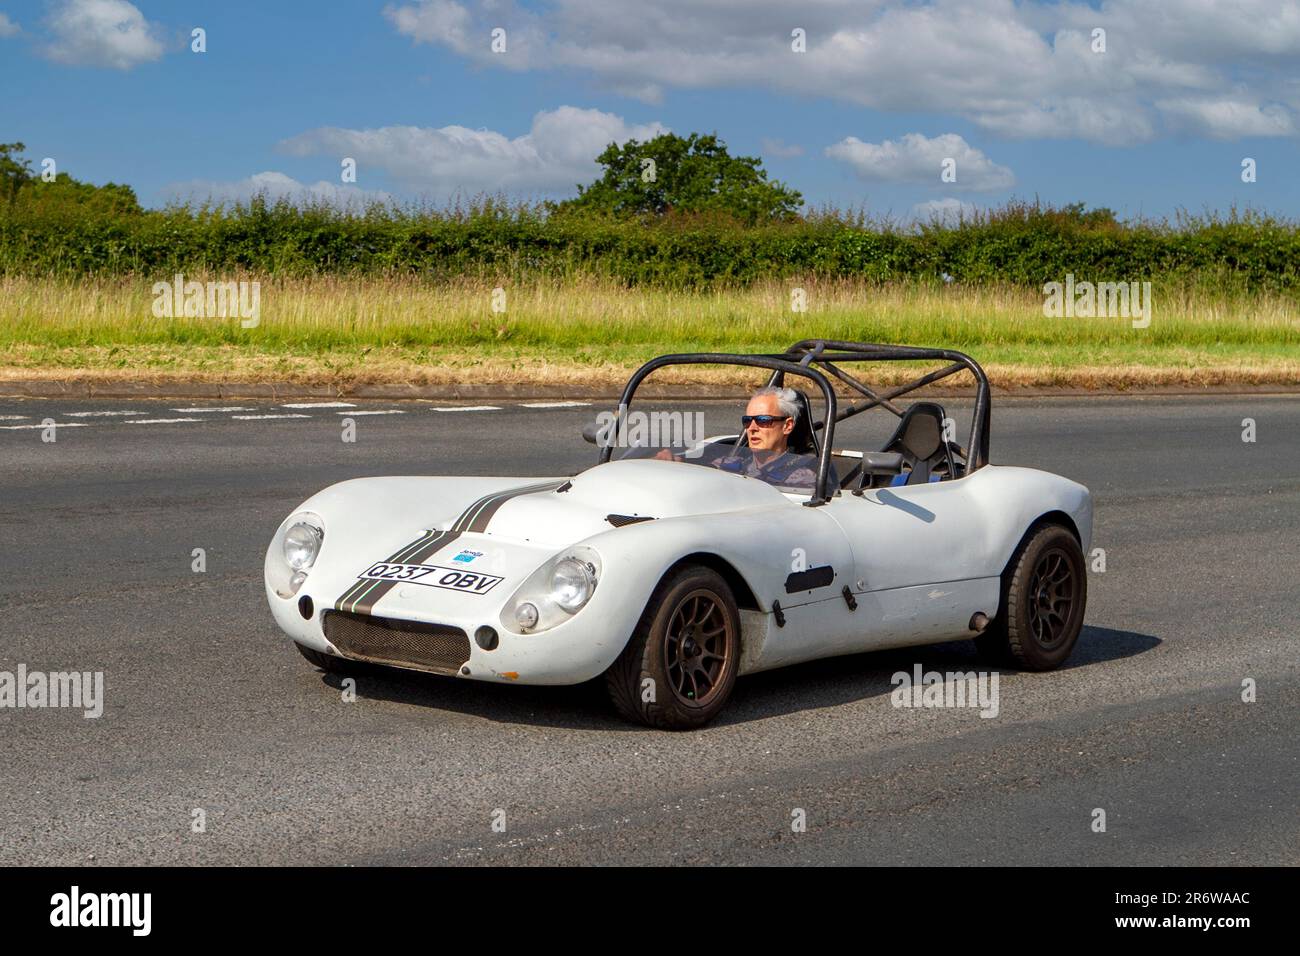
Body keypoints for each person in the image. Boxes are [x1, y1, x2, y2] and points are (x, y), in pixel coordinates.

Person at [656, 386, 822, 489]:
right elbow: (701, 469)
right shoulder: (733, 462)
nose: (752, 428)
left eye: (763, 420)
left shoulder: (803, 476)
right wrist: (675, 461)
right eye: (747, 420)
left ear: (787, 426)